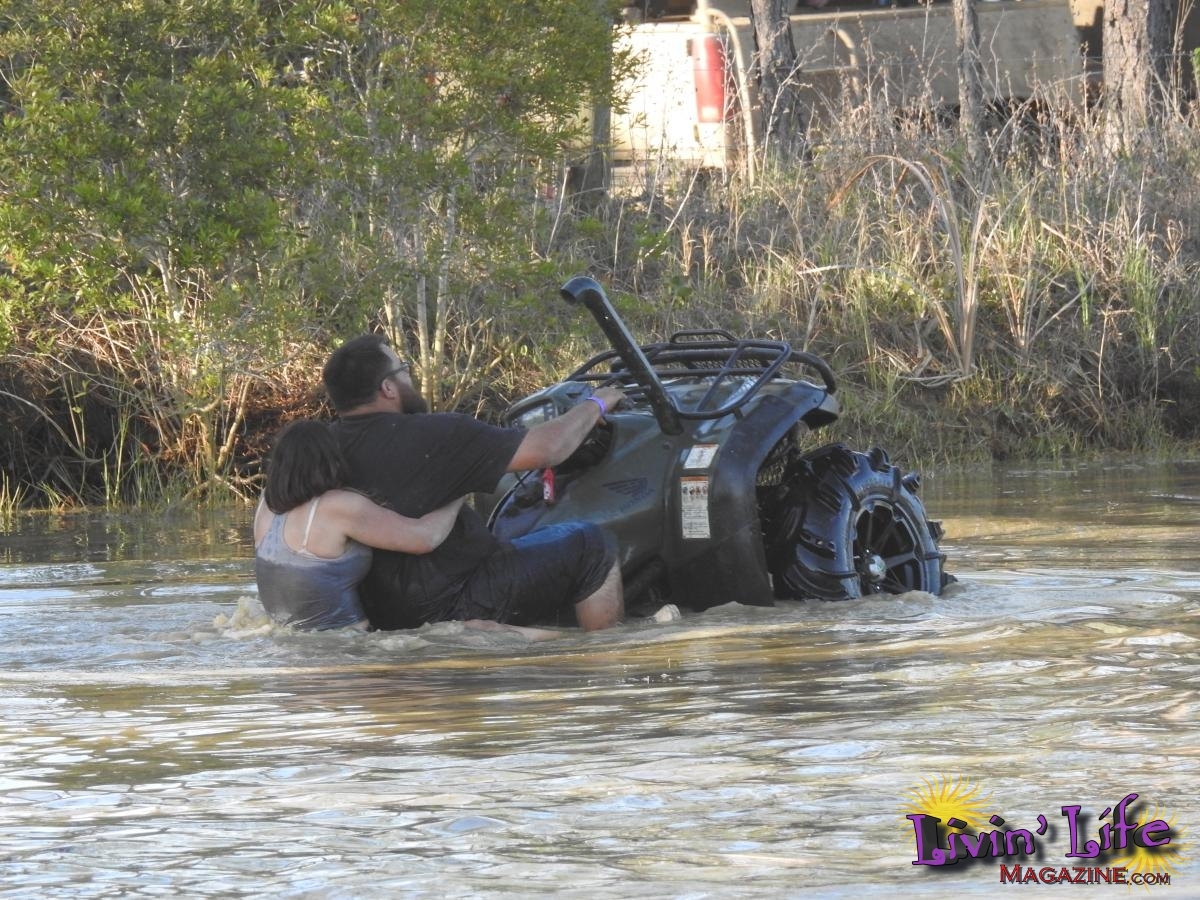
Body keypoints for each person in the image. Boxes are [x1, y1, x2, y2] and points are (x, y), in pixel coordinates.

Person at [320, 334, 627, 632]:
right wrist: (596, 404)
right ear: (388, 387)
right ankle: (606, 662)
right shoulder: (436, 434)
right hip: (455, 602)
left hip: (380, 615)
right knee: (591, 544)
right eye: (404, 370)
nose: (408, 378)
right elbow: (549, 449)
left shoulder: (321, 450)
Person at [253, 419, 465, 631]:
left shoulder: (266, 504)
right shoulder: (339, 507)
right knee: (483, 627)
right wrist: (460, 491)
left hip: (287, 648)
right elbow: (425, 538)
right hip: (351, 645)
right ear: (330, 461)